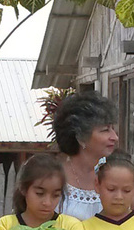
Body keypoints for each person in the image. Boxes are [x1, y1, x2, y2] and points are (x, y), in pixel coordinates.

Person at [52, 91, 122, 221]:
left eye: (113, 129)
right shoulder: (54, 177)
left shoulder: (117, 175)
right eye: (105, 130)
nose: (115, 137)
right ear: (80, 138)